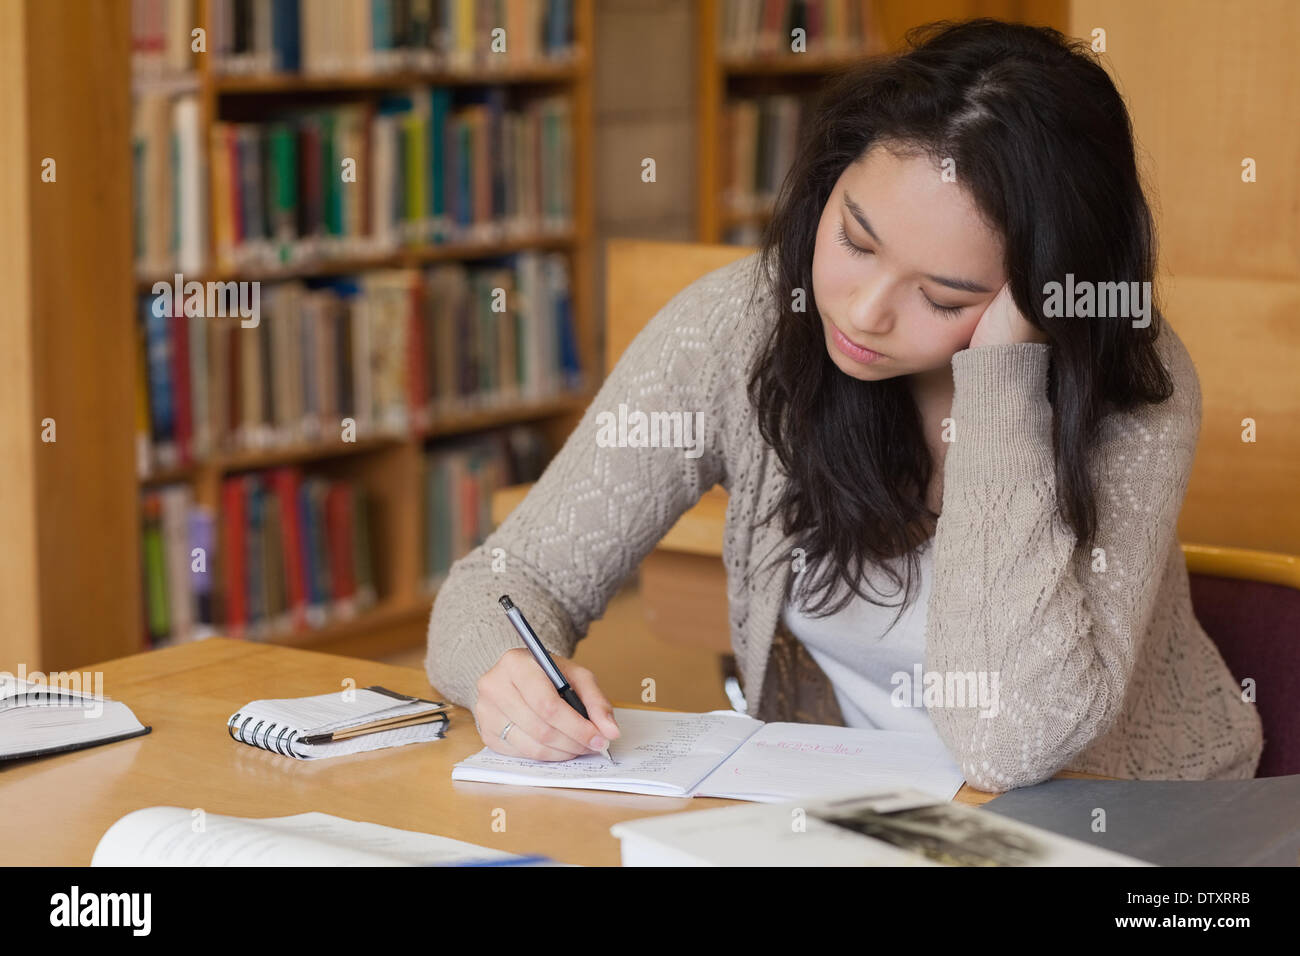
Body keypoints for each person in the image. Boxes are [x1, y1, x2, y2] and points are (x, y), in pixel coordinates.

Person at [426, 18, 1264, 791]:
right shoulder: (741, 325)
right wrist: (506, 671)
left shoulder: (1129, 383)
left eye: (943, 296)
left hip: (1125, 825)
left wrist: (1005, 382)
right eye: (856, 241)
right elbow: (509, 580)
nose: (863, 313)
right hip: (867, 817)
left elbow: (1012, 744)